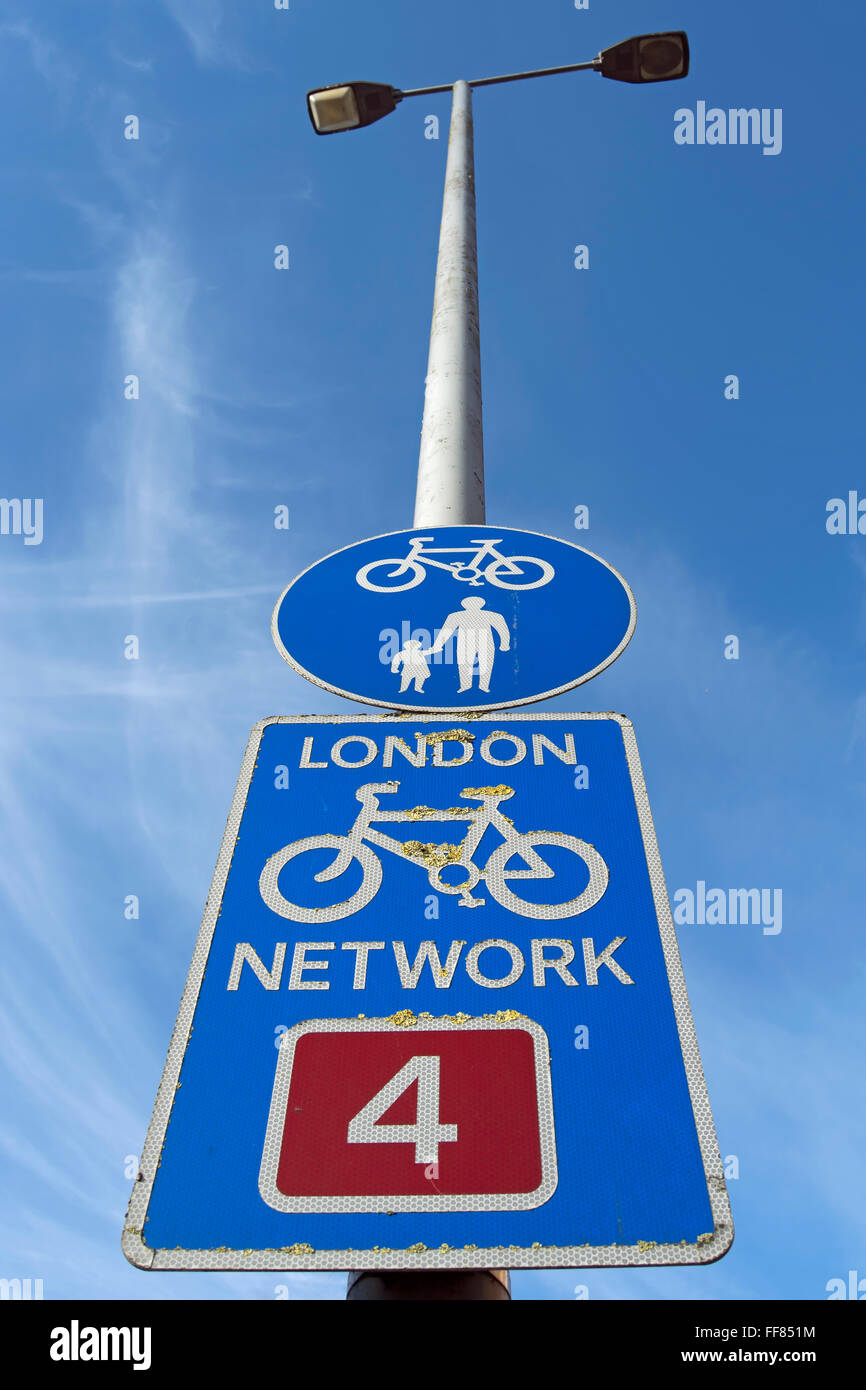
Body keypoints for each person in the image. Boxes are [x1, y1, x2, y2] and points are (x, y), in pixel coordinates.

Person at [425, 597, 510, 693]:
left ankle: (484, 686)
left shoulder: (491, 615)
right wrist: (437, 645)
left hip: (485, 642)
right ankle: (465, 686)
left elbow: (502, 629)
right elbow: (446, 631)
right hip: (465, 642)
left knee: (485, 664)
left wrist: (504, 644)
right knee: (464, 664)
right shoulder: (456, 616)